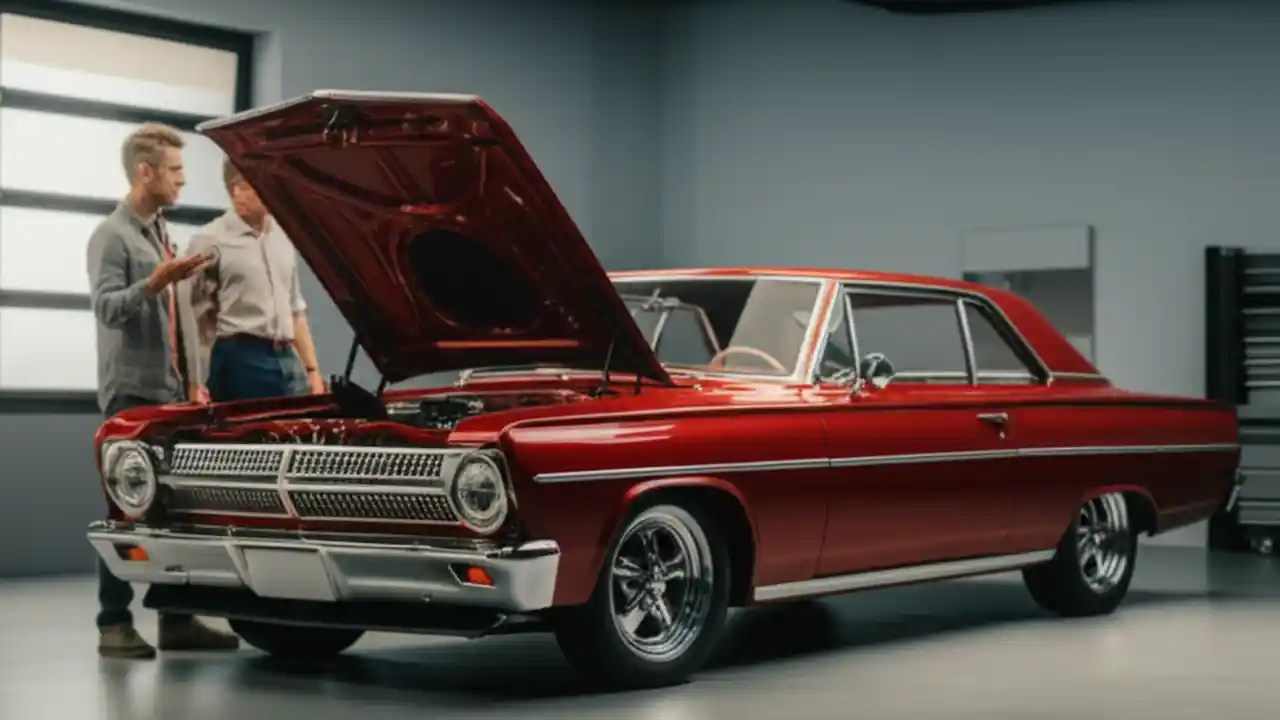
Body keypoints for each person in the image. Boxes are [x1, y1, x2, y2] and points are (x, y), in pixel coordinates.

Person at [86, 122, 240, 659]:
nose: (183, 180)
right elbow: (107, 308)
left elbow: (180, 317)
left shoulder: (160, 231)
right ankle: (113, 624)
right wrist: (154, 282)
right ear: (145, 172)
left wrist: (195, 385)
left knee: (175, 510)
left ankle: (176, 620)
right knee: (128, 510)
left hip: (173, 391)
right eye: (174, 170)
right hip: (133, 395)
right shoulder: (113, 235)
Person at [186, 157, 324, 401]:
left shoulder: (283, 234)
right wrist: (196, 380)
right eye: (258, 183)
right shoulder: (209, 240)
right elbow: (195, 317)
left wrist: (312, 369)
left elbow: (295, 308)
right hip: (239, 358)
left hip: (287, 357)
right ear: (235, 190)